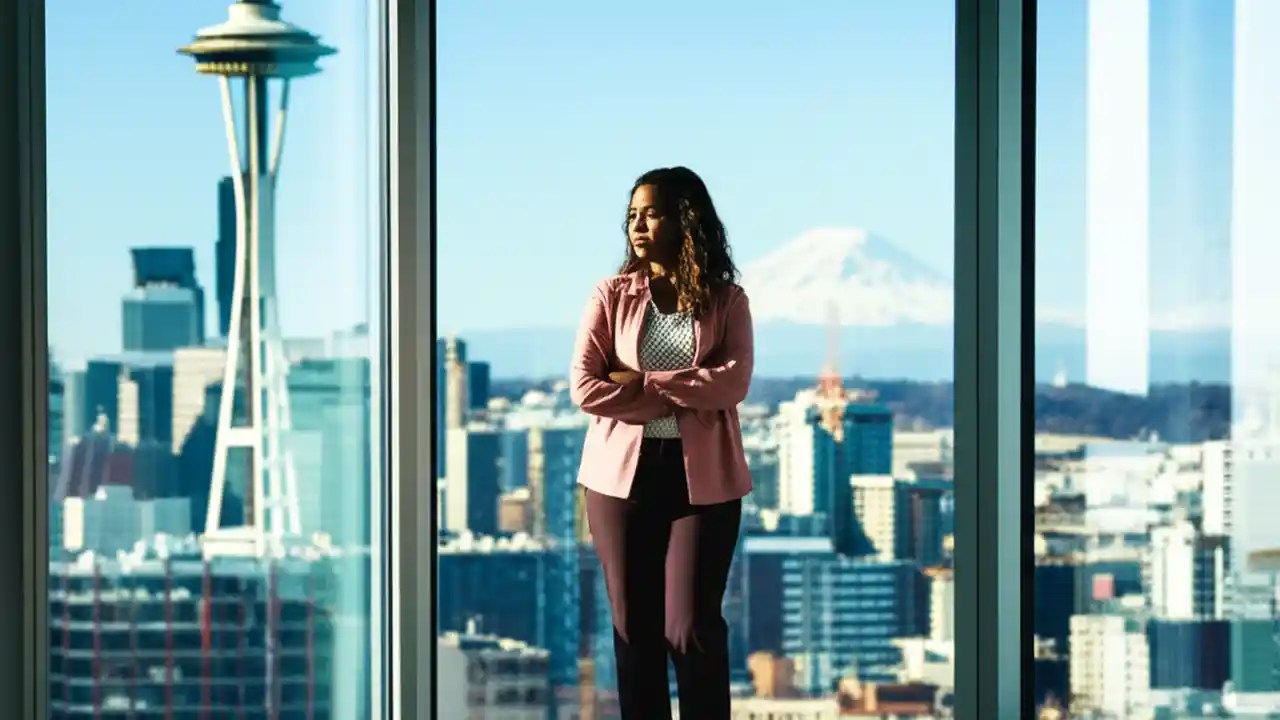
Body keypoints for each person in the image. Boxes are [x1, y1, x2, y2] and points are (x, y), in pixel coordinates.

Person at [569, 166, 754, 719]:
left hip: (704, 480)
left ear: (685, 219)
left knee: (691, 628)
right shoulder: (610, 295)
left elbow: (733, 381)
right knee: (634, 632)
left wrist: (643, 384)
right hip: (618, 481)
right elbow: (584, 387)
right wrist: (686, 392)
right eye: (632, 215)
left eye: (651, 213)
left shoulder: (728, 300)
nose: (638, 225)